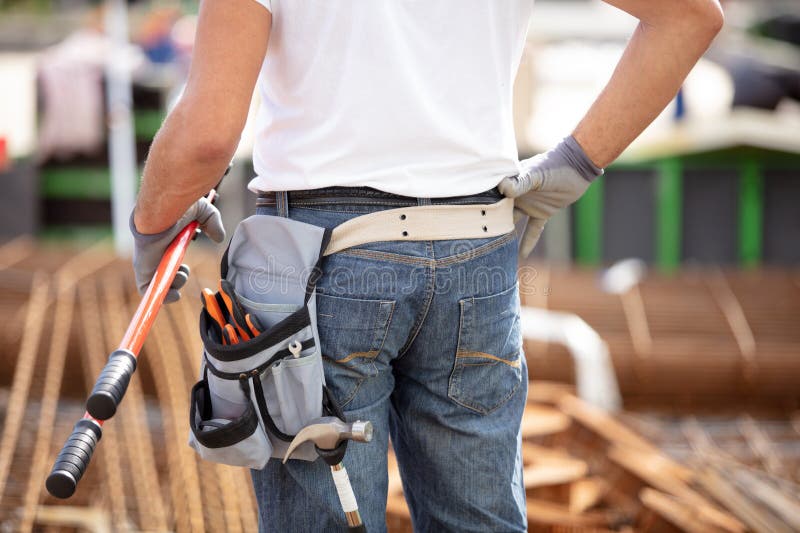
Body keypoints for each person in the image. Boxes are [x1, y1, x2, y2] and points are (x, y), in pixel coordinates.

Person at [131, 1, 723, 531]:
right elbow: (689, 16)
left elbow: (207, 136)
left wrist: (151, 225)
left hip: (320, 266)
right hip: (477, 253)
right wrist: (574, 164)